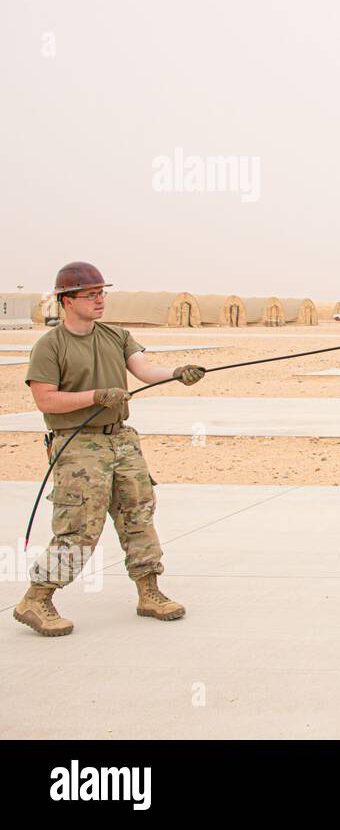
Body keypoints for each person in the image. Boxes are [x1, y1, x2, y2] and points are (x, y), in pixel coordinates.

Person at [13, 262, 207, 637]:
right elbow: (46, 401)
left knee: (138, 513)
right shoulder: (49, 346)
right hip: (77, 444)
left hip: (120, 438)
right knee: (80, 526)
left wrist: (178, 373)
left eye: (102, 293)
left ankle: (149, 592)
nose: (99, 300)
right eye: (91, 295)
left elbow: (145, 370)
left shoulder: (116, 336)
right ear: (66, 301)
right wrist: (96, 396)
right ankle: (36, 600)